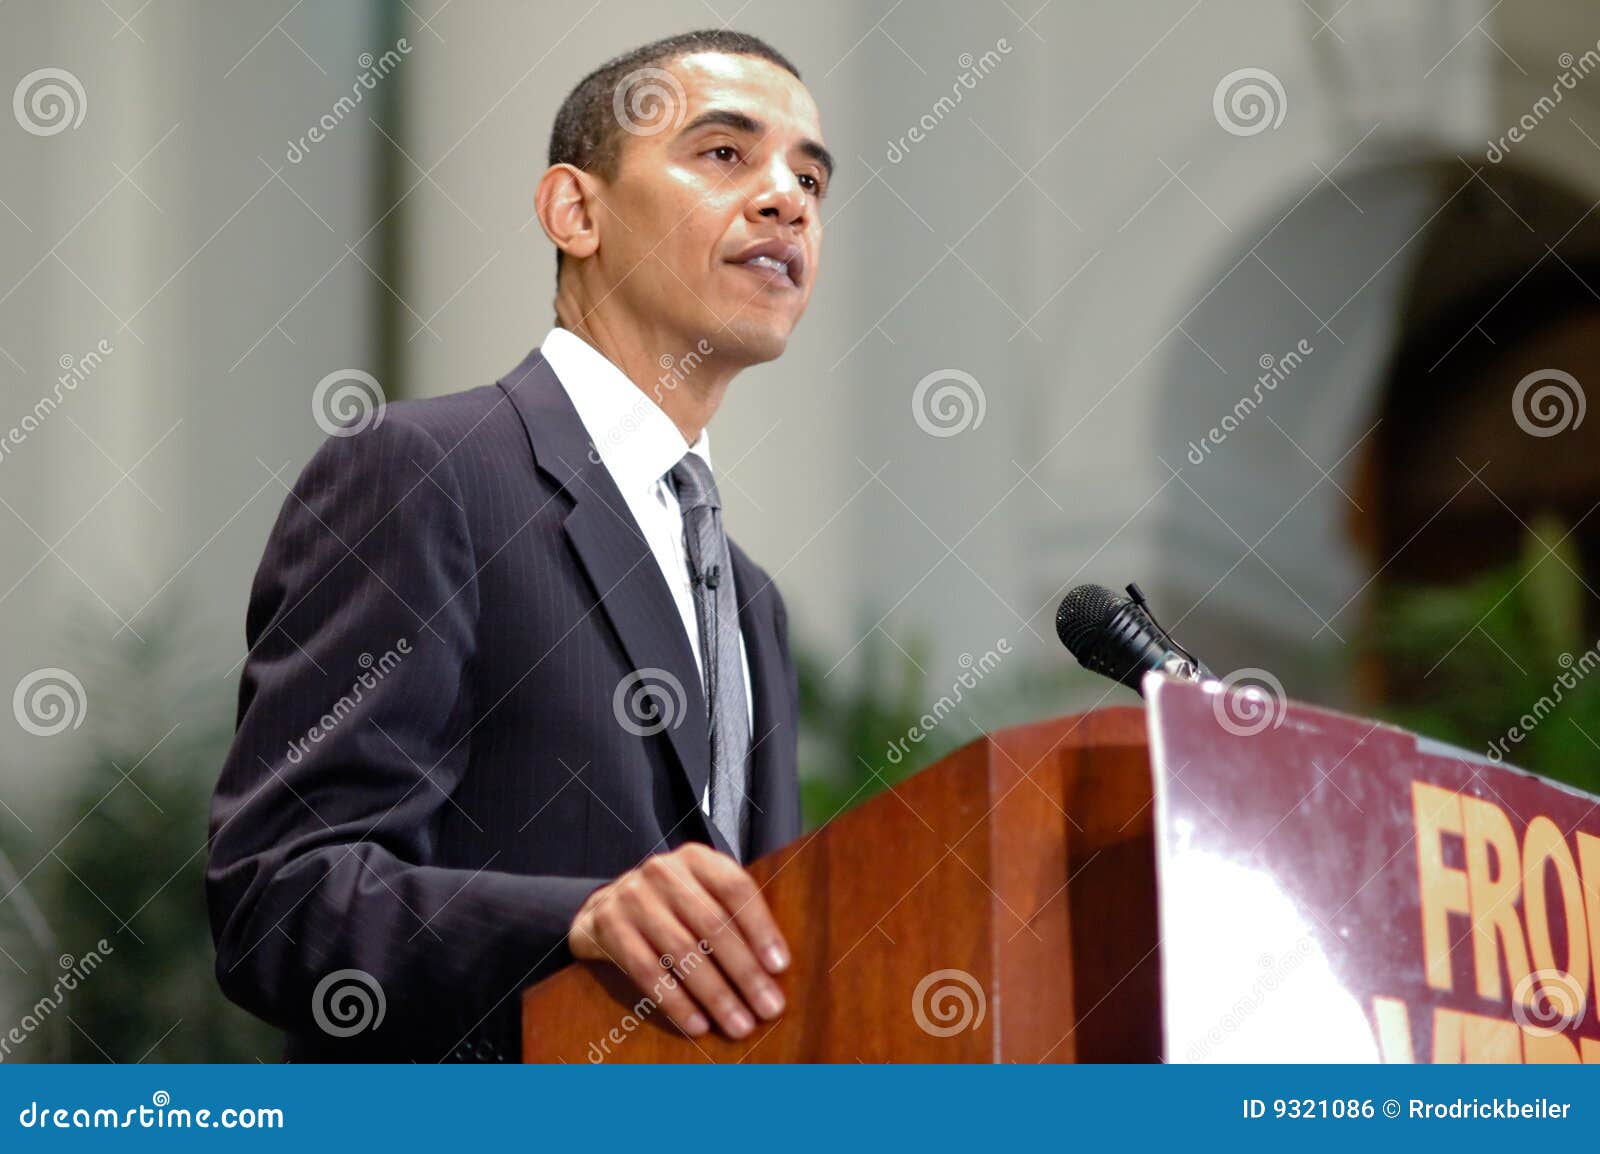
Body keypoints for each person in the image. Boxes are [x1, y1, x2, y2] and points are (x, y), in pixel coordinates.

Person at [206, 28, 832, 1062]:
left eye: (809, 175)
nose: (787, 198)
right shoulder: (424, 471)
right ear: (573, 211)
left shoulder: (749, 597)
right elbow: (279, 900)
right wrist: (576, 924)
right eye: (725, 153)